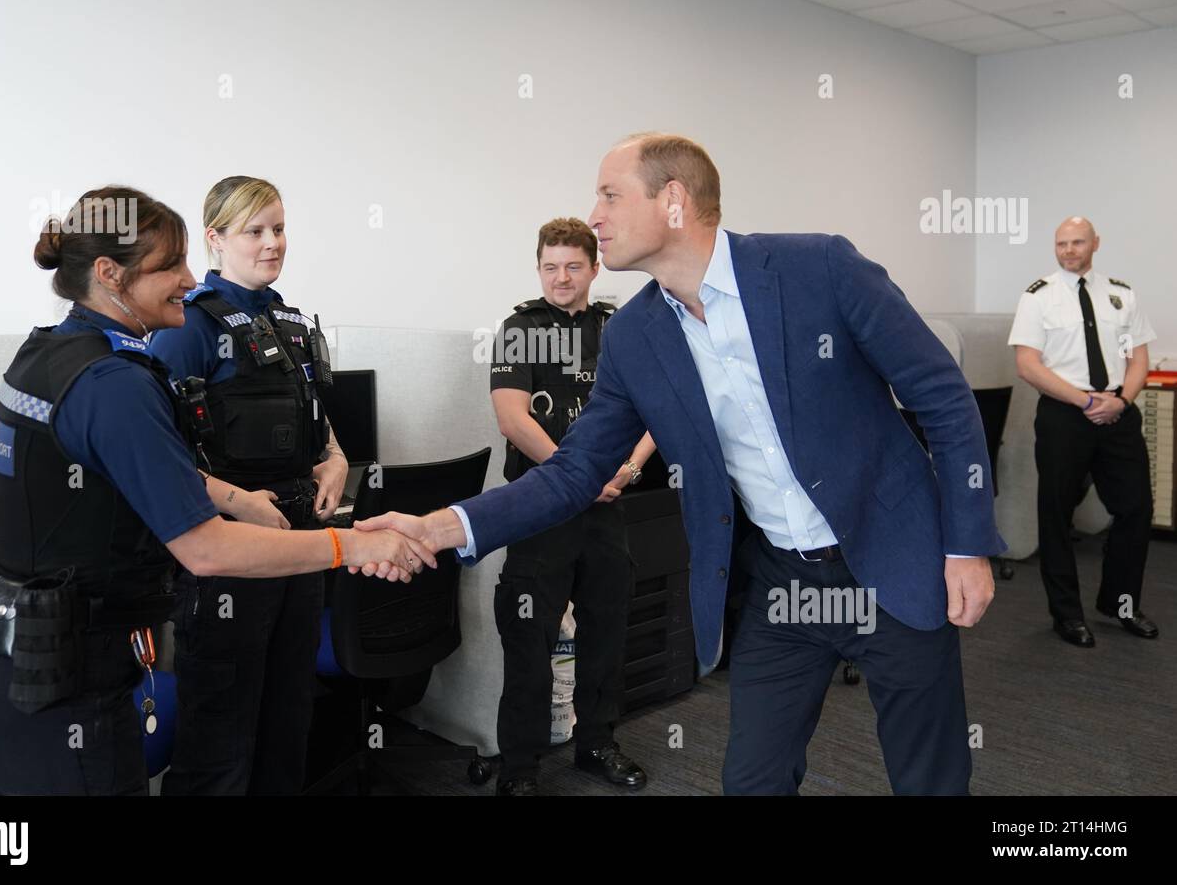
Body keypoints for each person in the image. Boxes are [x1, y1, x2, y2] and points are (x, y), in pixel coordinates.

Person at [358, 133, 1003, 796]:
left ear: (673, 200)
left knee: (930, 777)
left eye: (610, 195)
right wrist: (440, 528)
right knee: (752, 780)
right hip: (782, 583)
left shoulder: (818, 267)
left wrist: (966, 545)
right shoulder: (636, 336)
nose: (595, 216)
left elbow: (943, 397)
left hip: (891, 556)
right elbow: (573, 473)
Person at [0, 187, 432, 796]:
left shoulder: (56, 353)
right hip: (63, 673)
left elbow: (141, 461)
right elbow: (205, 550)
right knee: (219, 746)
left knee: (284, 722)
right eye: (169, 266)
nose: (185, 278)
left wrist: (247, 495)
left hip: (19, 657)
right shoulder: (116, 380)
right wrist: (351, 547)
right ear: (109, 275)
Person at [148, 175, 346, 795]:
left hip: (299, 543)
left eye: (279, 228)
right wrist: (237, 502)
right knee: (223, 735)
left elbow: (314, 410)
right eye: (255, 231)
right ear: (215, 238)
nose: (272, 243)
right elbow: (161, 455)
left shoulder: (286, 319)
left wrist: (336, 458)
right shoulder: (188, 328)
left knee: (289, 717)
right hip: (229, 552)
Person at [488, 217, 655, 796]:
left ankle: (596, 744)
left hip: (606, 509)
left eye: (573, 266)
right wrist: (578, 476)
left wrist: (628, 469)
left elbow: (653, 411)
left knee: (606, 631)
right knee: (529, 638)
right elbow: (513, 418)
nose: (561, 277)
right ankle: (520, 765)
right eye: (550, 266)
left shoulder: (622, 329)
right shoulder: (518, 329)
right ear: (538, 269)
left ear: (594, 267)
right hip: (541, 509)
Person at [1008, 216, 1158, 647]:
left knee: (1135, 509)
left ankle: (1120, 603)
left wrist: (1120, 402)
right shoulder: (1039, 297)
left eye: (1077, 242)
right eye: (1061, 244)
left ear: (1095, 243)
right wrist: (1084, 401)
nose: (1069, 250)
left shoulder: (1121, 295)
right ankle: (1066, 614)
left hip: (1117, 412)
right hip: (1064, 415)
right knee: (1055, 513)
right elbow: (1028, 364)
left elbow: (1137, 358)